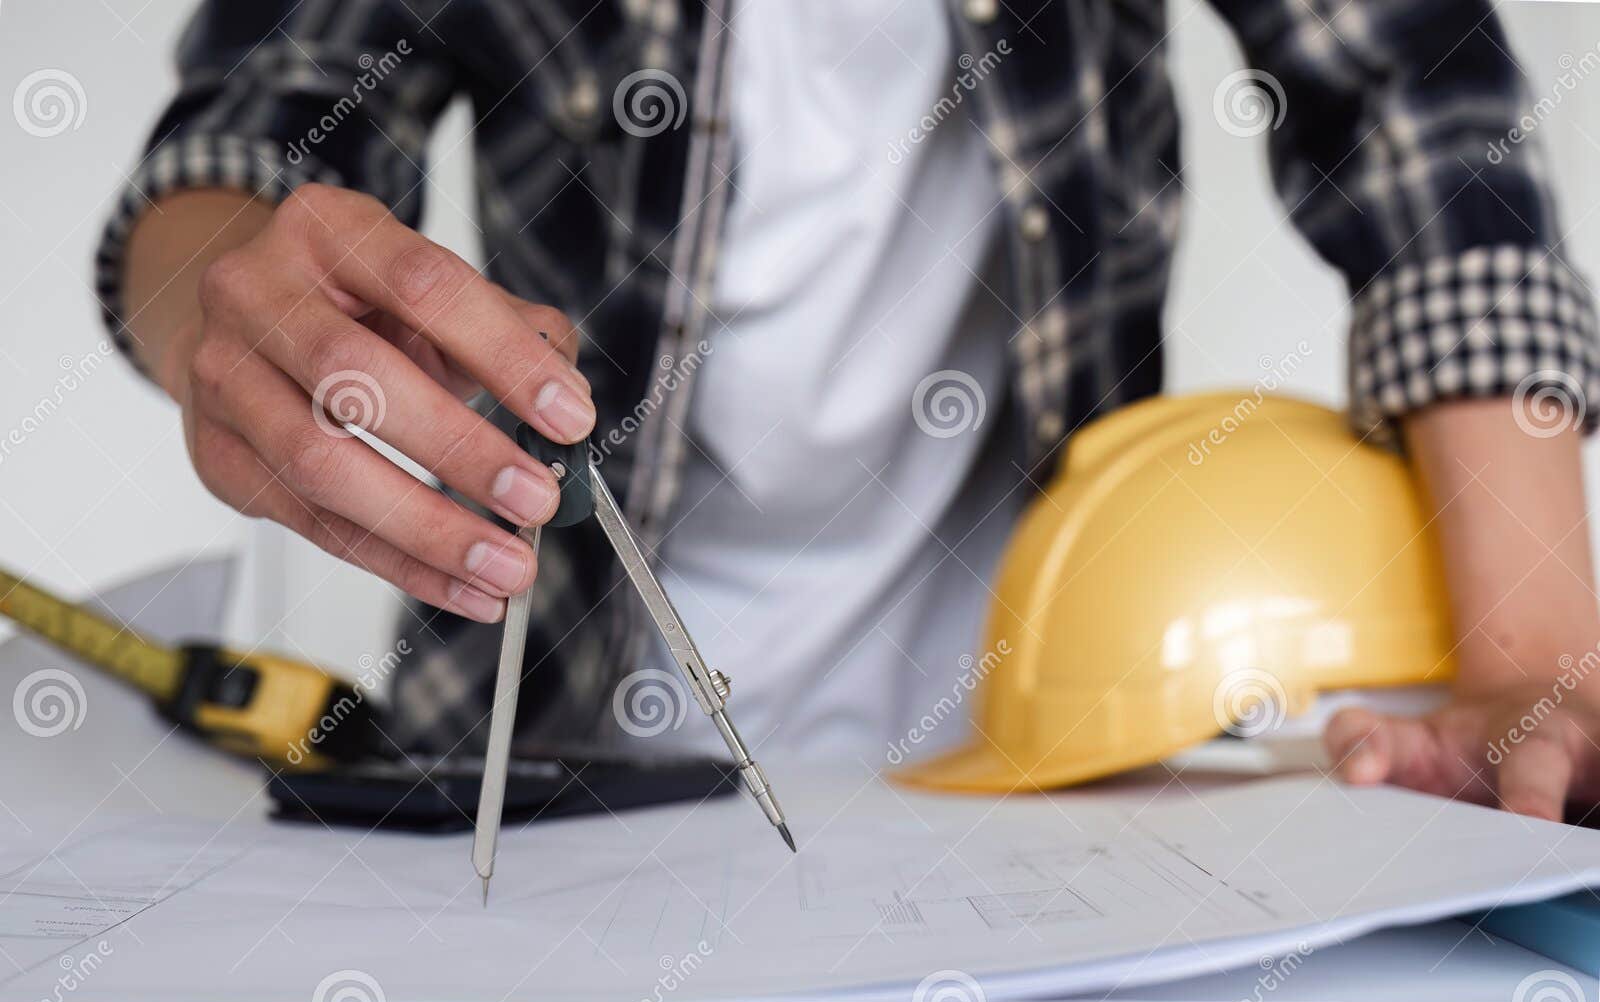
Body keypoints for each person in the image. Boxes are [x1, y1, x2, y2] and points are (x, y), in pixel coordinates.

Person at [102, 1, 1600, 820]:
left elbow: (1421, 111)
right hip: (550, 744)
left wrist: (1538, 670)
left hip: (1067, 753)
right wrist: (234, 302)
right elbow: (249, 122)